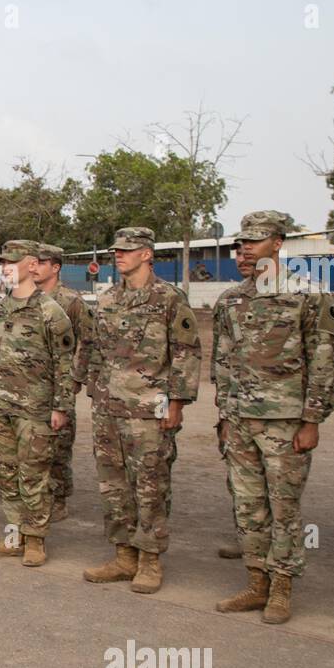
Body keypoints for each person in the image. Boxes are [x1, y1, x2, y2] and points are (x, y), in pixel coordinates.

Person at [212, 211, 334, 623]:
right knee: (249, 506)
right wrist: (226, 415)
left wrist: (312, 420)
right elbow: (223, 362)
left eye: (255, 240)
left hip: (285, 421)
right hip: (241, 419)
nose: (245, 248)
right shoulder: (231, 299)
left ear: (278, 243)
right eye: (241, 242)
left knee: (283, 507)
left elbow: (323, 360)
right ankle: (256, 582)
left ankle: (282, 588)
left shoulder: (309, 295)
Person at [79, 228, 201, 594]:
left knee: (149, 485)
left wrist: (177, 403)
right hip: (109, 406)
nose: (120, 255)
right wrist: (94, 390)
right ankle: (123, 555)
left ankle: (150, 559)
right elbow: (95, 348)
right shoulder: (108, 298)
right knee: (113, 484)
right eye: (117, 250)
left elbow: (186, 352)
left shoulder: (168, 298)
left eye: (128, 250)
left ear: (147, 254)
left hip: (150, 408)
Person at [0, 240, 74, 567]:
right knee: (7, 475)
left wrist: (61, 408)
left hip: (36, 410)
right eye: (3, 262)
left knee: (33, 475)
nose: (6, 267)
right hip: (2, 407)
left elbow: (65, 365)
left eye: (14, 261)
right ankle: (13, 537)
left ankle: (35, 540)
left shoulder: (50, 311)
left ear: (33, 265)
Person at [33, 243, 95, 522]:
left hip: (60, 381)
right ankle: (38, 495)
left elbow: (88, 341)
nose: (34, 267)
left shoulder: (71, 300)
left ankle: (58, 497)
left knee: (59, 442)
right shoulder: (25, 297)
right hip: (30, 383)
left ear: (55, 267)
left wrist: (75, 377)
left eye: (41, 263)